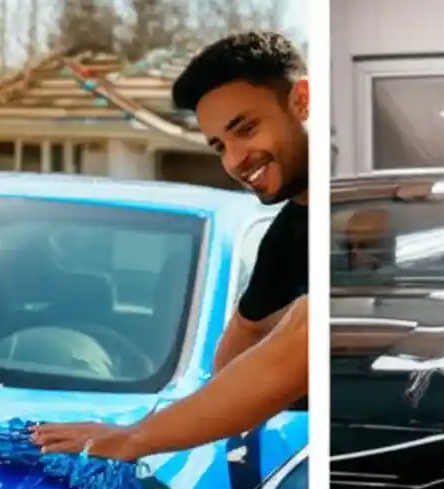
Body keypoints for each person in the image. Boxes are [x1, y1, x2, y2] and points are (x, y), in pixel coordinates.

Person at [32, 30, 309, 459]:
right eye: (220, 145)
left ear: (302, 101)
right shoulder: (287, 238)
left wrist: (131, 439)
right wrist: (238, 399)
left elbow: (297, 344)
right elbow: (241, 346)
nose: (234, 160)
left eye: (246, 128)